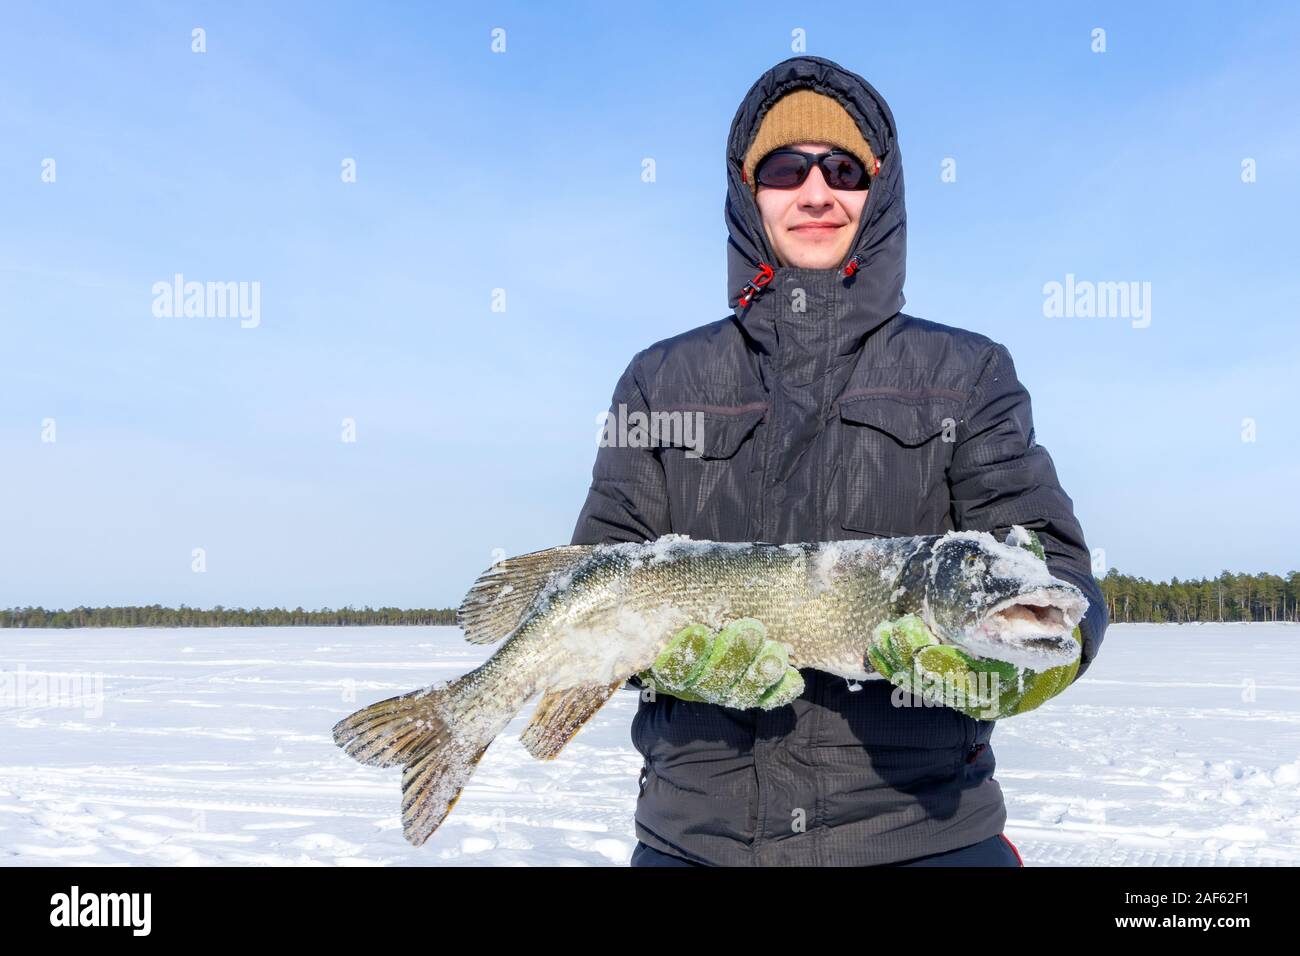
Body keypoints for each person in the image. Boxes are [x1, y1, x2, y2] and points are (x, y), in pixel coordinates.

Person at [570, 55, 1107, 866]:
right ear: (750, 193)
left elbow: (1057, 573)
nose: (816, 192)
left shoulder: (967, 374)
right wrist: (659, 655)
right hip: (698, 842)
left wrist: (1031, 669)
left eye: (844, 169)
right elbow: (594, 576)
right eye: (786, 168)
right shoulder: (659, 380)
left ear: (879, 192)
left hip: (922, 835)